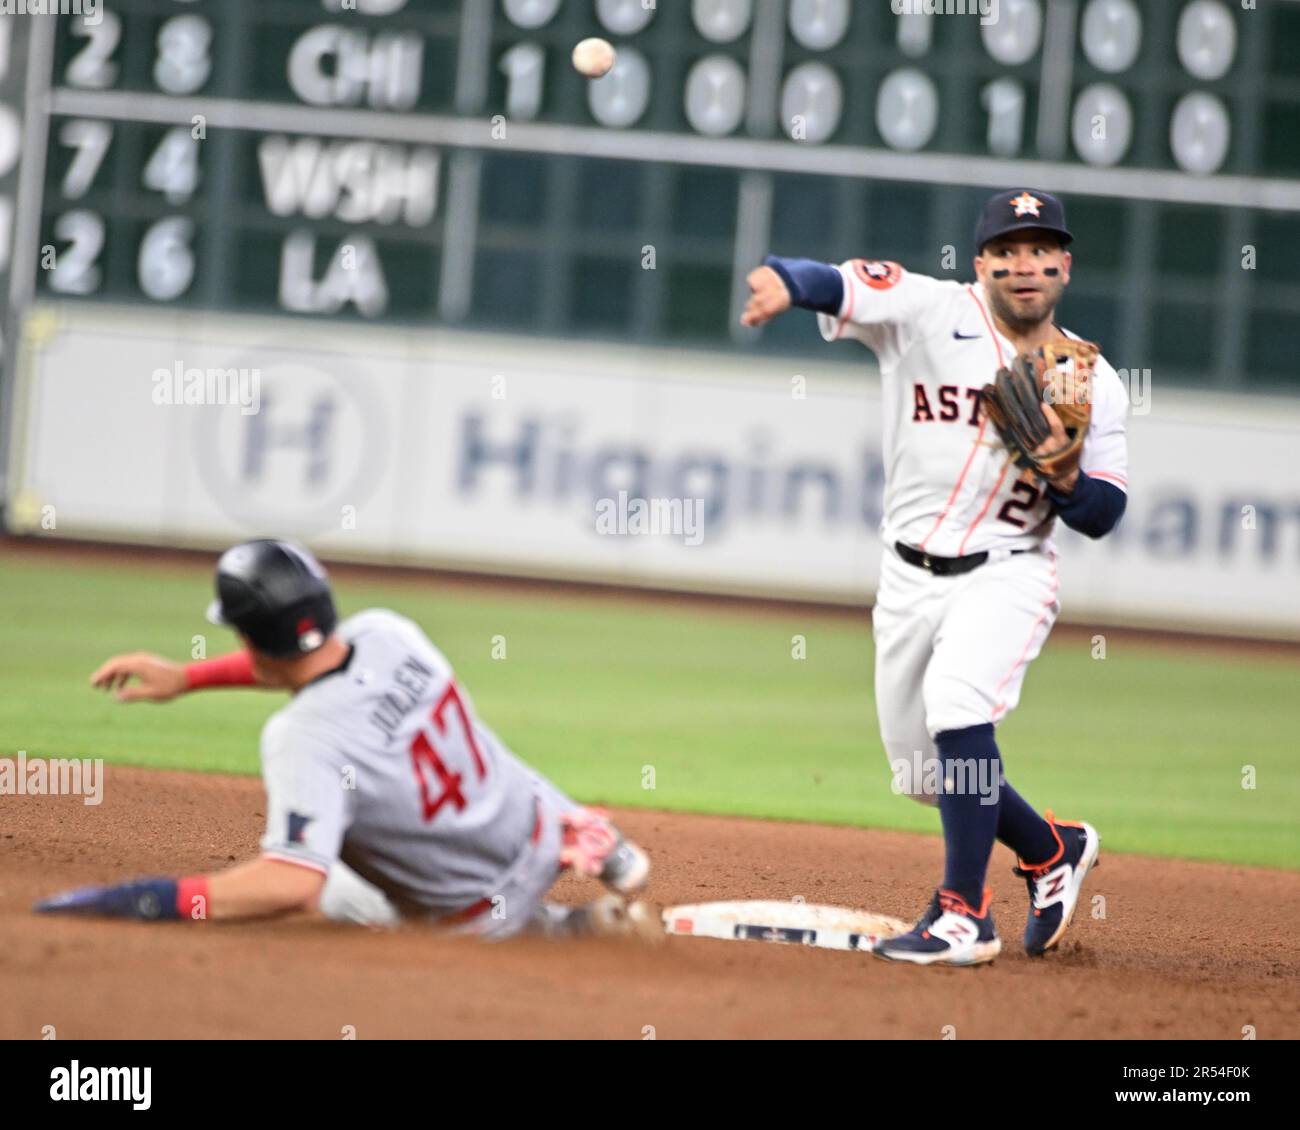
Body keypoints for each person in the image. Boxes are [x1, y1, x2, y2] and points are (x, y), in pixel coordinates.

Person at [741, 189, 1124, 965]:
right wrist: (787, 280)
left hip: (1009, 571)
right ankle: (1053, 848)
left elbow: (1103, 512)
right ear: (981, 263)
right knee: (926, 772)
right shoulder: (928, 312)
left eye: (1040, 250)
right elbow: (840, 282)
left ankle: (963, 916)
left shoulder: (1086, 378)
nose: (1026, 265)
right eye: (1008, 251)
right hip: (908, 576)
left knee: (957, 708)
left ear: (1065, 266)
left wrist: (1061, 473)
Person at [37, 539, 652, 939]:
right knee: (476, 759)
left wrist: (151, 900)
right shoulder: (390, 632)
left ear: (248, 639)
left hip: (472, 915)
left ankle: (556, 931)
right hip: (542, 827)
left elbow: (289, 880)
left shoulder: (301, 737)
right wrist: (188, 677)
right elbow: (310, 663)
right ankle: (599, 869)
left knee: (321, 893)